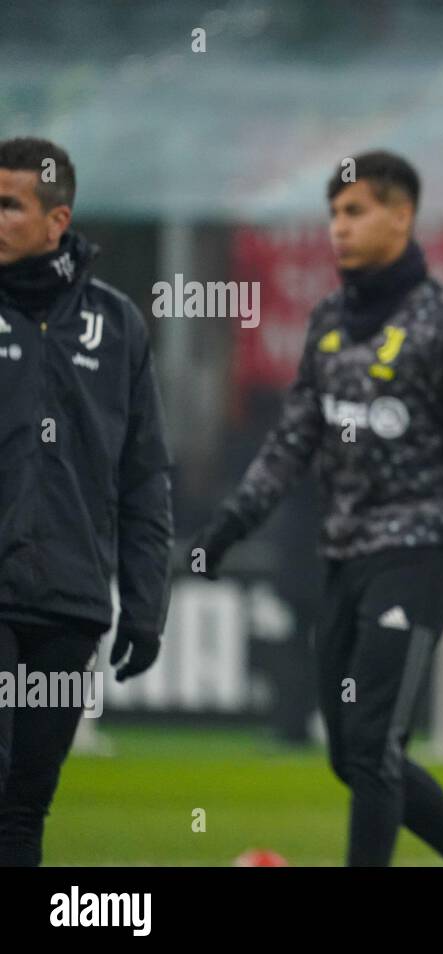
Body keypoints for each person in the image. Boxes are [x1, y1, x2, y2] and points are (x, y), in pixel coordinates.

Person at [192, 151, 443, 866]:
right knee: (351, 753)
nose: (339, 227)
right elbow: (295, 434)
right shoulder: (330, 319)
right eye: (334, 213)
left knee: (373, 746)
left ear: (402, 215)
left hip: (423, 552)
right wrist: (232, 522)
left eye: (356, 211)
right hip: (343, 552)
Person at [0, 137, 173, 865]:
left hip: (70, 603)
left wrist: (145, 606)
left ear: (56, 220)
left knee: (24, 807)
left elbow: (143, 478)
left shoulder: (118, 324)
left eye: (8, 204)